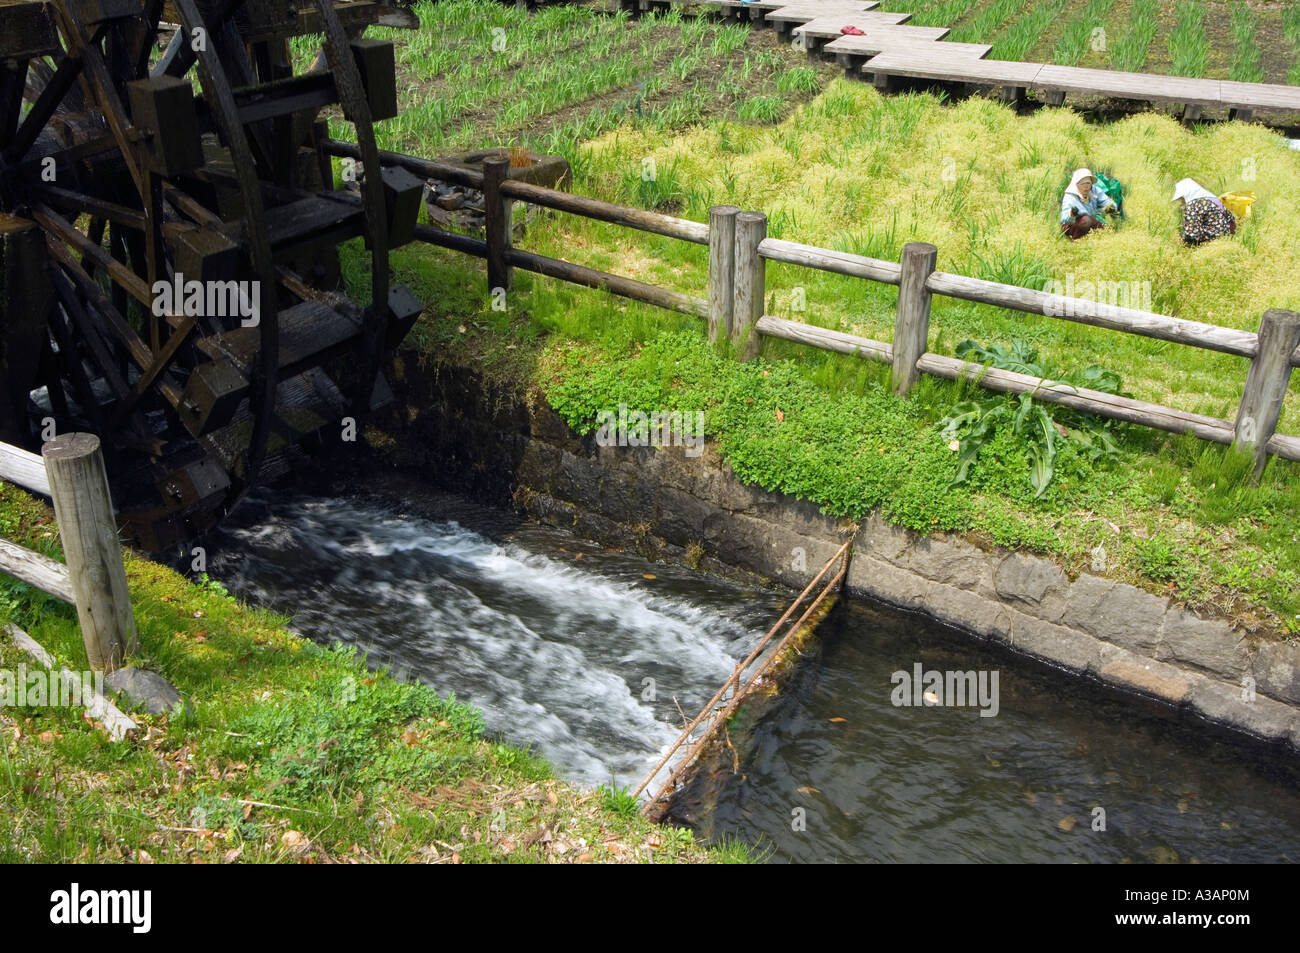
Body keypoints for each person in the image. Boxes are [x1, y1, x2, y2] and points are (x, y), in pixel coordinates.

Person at [1171, 178, 1236, 245]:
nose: (1181, 201)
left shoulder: (1193, 204)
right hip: (1227, 238)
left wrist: (1180, 240)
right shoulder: (1213, 199)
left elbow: (1192, 234)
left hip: (1212, 241)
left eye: (1181, 198)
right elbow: (1230, 219)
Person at [1059, 168, 1118, 240]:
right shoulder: (1070, 196)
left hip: (1090, 220)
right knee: (1086, 220)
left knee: (1107, 232)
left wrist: (1110, 207)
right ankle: (1077, 241)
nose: (1086, 186)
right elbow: (1064, 219)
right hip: (1071, 225)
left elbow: (1106, 201)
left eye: (1088, 183)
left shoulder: (1095, 190)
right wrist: (1072, 214)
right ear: (1076, 184)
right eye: (1082, 183)